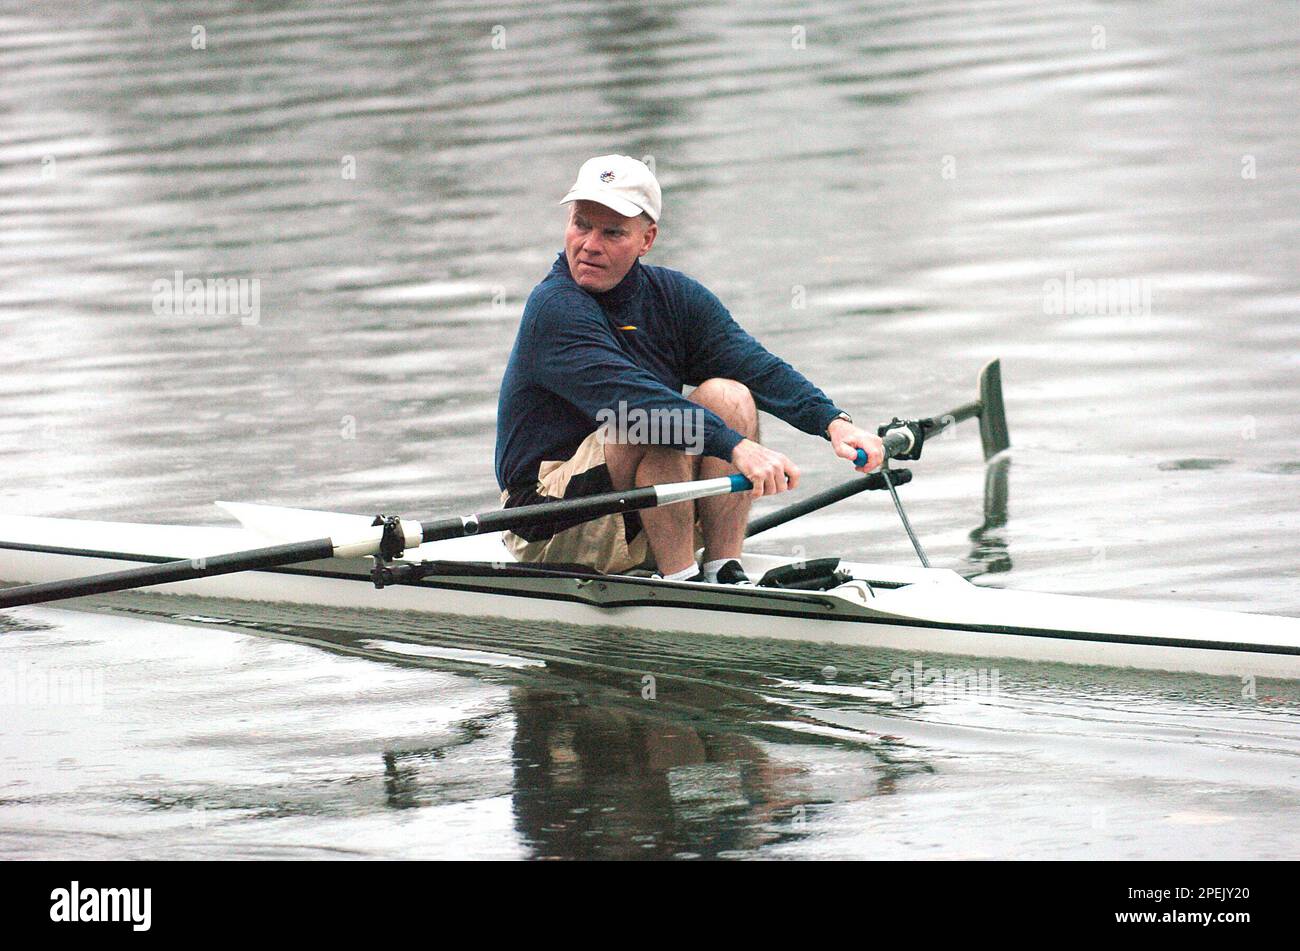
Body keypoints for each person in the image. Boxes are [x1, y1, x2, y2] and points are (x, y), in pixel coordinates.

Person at [494, 154, 883, 583]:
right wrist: (739, 449)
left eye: (612, 232)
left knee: (729, 396)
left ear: (647, 239)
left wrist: (833, 423)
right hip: (548, 518)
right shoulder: (555, 309)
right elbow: (633, 400)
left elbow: (756, 367)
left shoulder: (674, 297)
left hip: (628, 501)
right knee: (649, 422)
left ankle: (722, 568)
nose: (589, 244)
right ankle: (681, 579)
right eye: (581, 224)